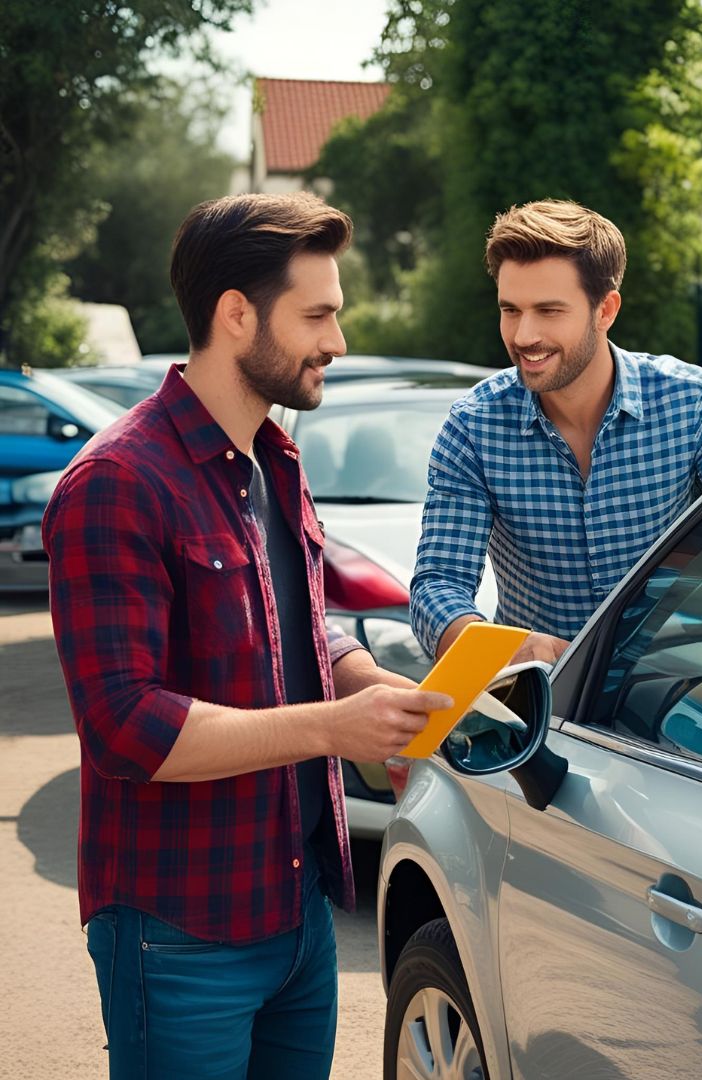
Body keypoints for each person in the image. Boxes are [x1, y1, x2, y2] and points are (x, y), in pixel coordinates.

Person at [42, 192, 451, 1080]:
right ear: (236, 314)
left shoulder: (275, 455)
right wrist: (330, 731)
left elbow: (303, 629)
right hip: (179, 931)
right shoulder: (115, 483)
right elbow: (124, 725)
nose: (336, 341)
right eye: (318, 315)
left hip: (299, 911)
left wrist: (371, 685)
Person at [410, 198, 702, 665]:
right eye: (510, 310)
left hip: (661, 688)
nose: (523, 335)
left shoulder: (688, 403)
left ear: (606, 309)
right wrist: (503, 650)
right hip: (537, 695)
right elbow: (439, 583)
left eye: (549, 311)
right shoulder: (474, 427)